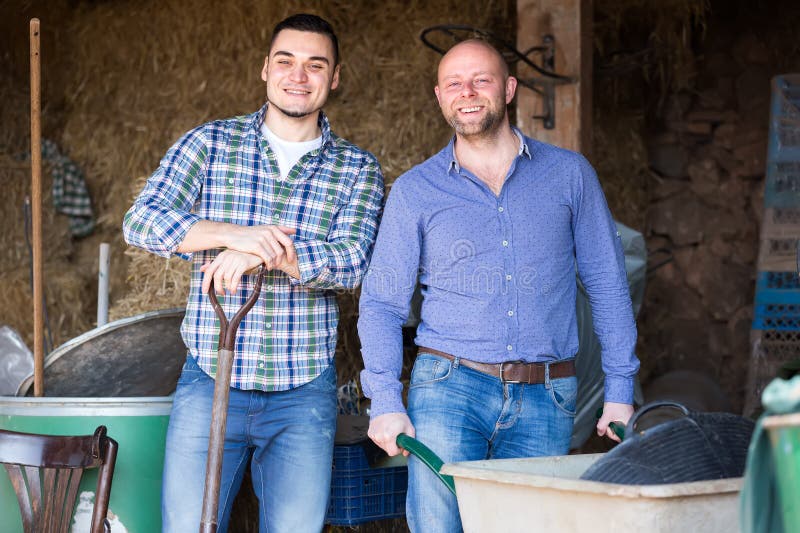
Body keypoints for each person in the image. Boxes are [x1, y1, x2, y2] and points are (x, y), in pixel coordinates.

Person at [358, 39, 639, 532]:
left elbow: (609, 285)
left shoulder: (570, 175)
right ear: (439, 97)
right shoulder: (415, 191)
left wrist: (619, 388)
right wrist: (384, 400)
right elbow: (381, 304)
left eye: (480, 80)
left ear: (508, 89)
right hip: (448, 388)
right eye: (453, 84)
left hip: (547, 393)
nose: (466, 92)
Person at [123, 14, 384, 532]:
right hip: (210, 379)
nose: (298, 76)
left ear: (335, 77)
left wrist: (268, 253)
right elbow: (142, 221)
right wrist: (235, 235)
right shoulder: (210, 144)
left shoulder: (357, 169)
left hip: (303, 392)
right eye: (286, 61)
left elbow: (353, 260)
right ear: (265, 68)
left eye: (316, 65)